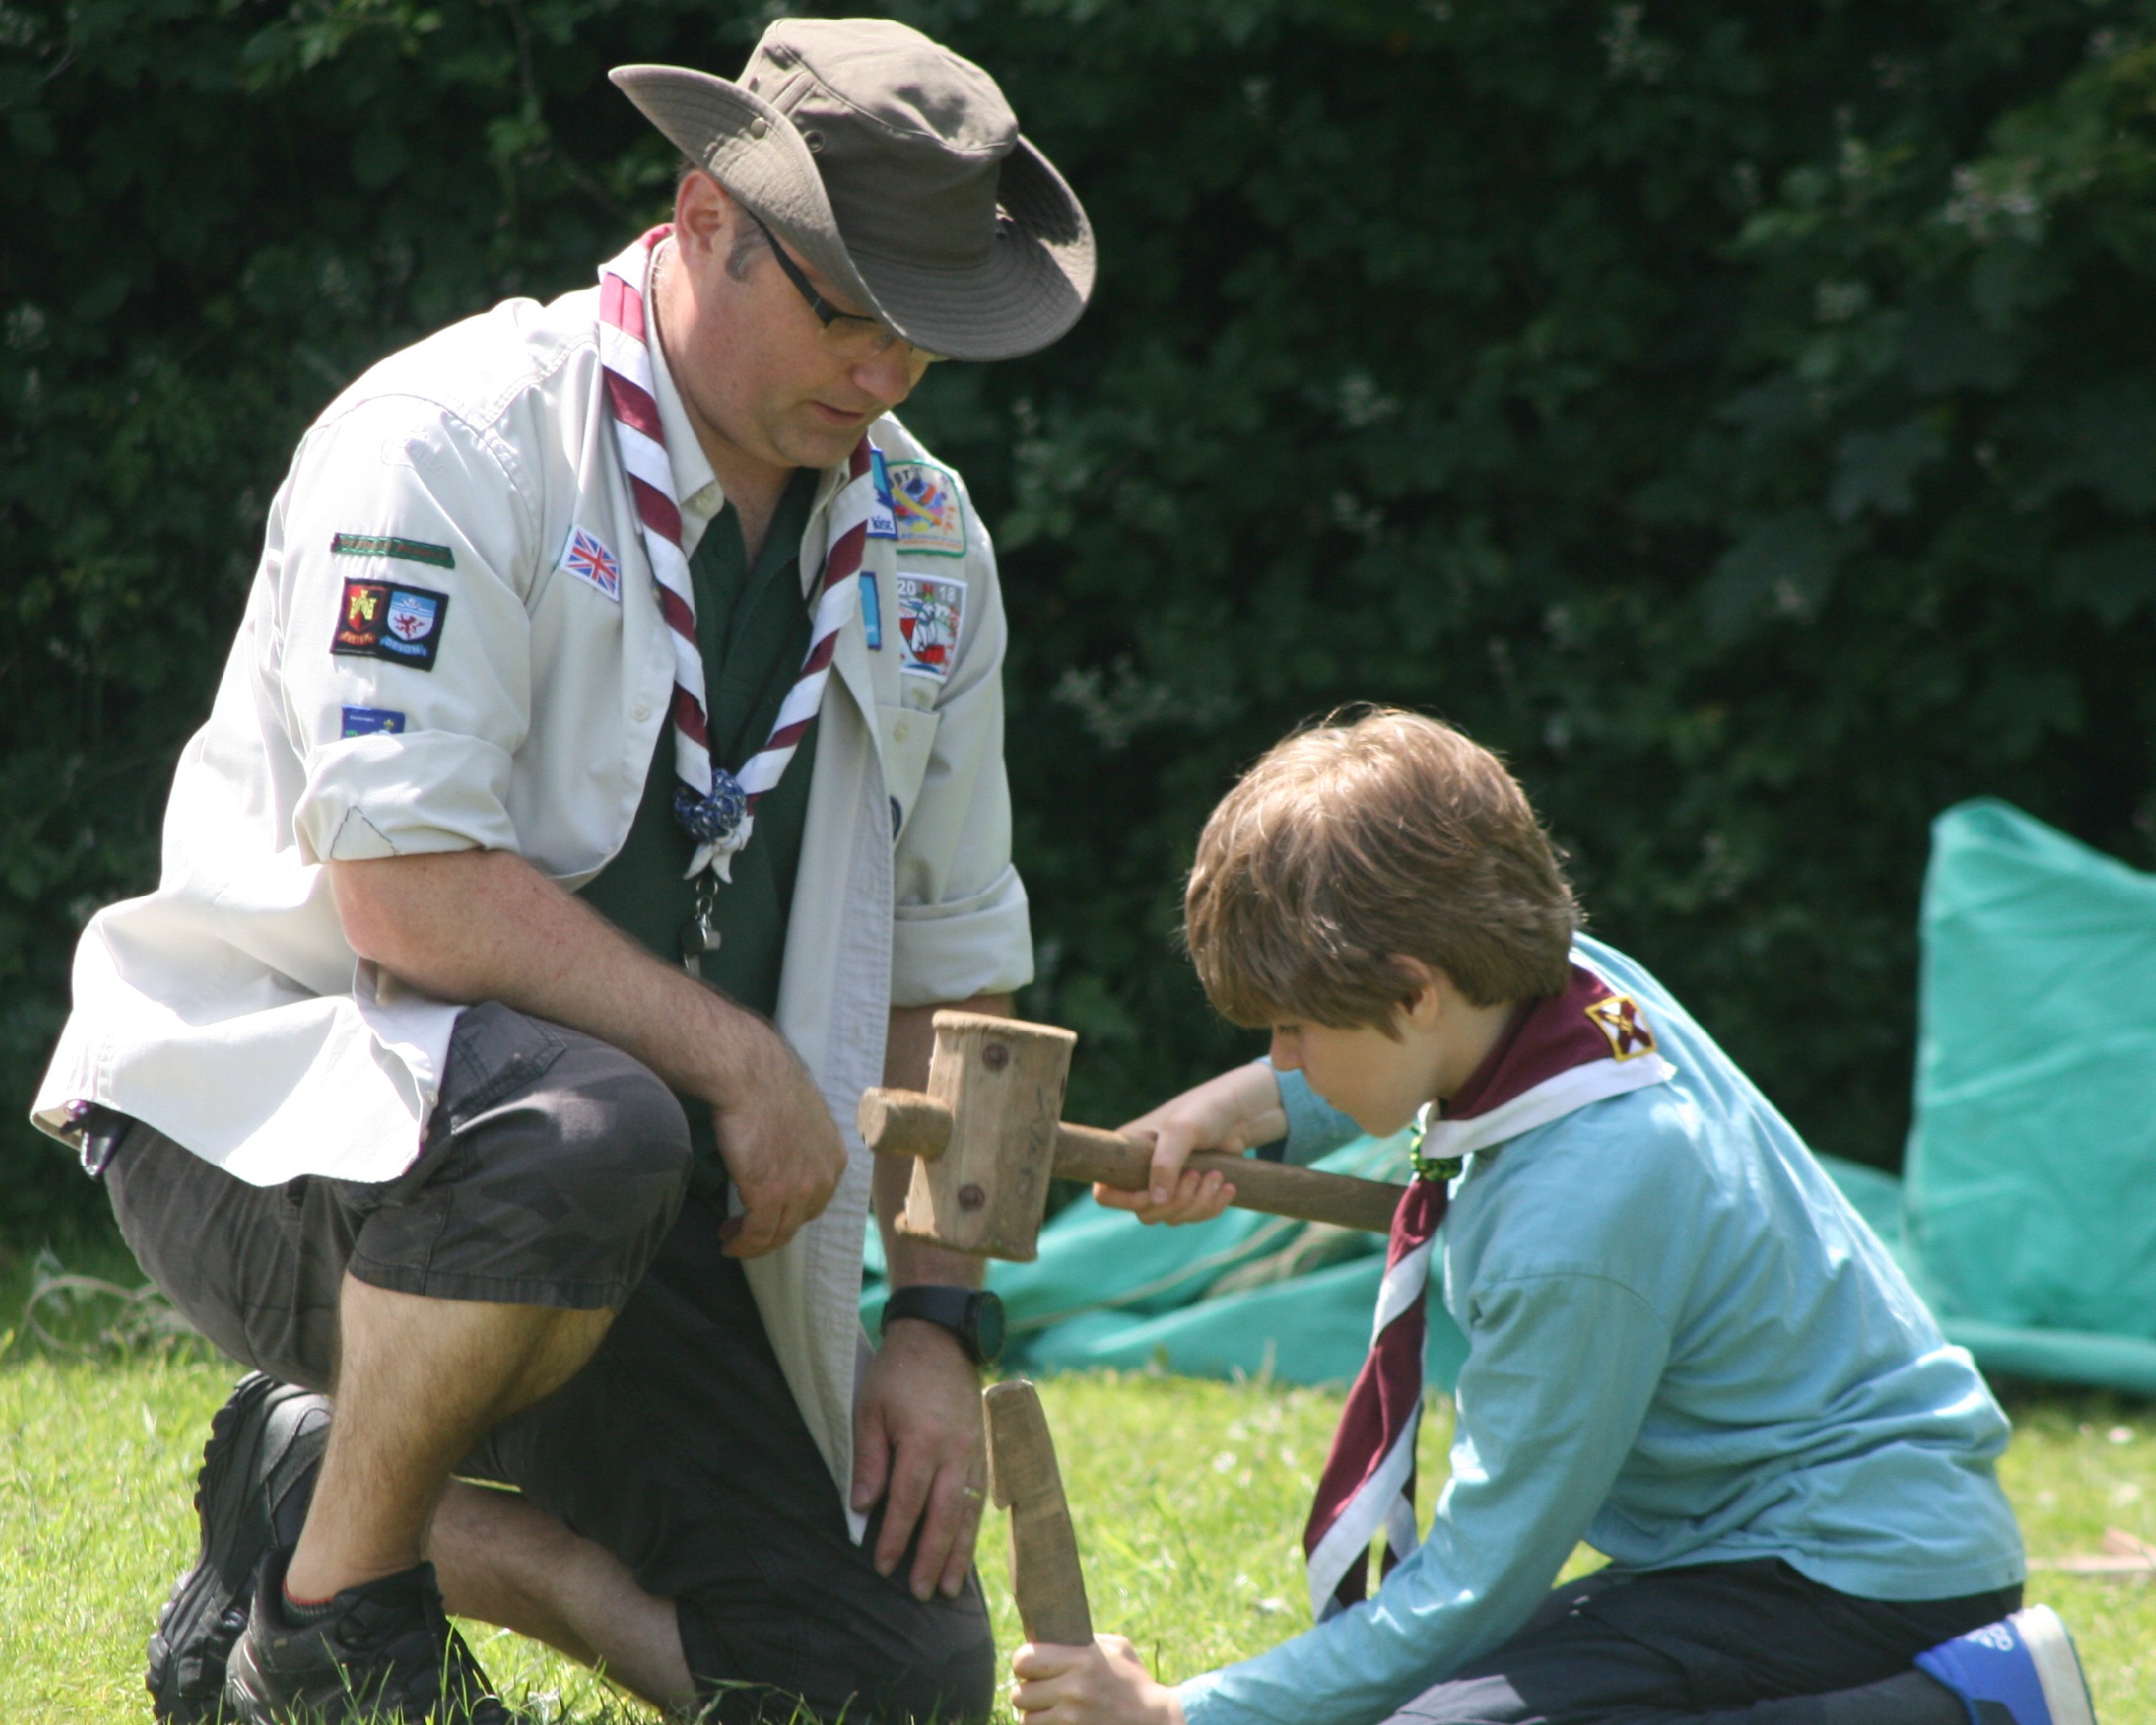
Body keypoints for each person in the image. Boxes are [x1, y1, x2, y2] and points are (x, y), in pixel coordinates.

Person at [30, 17, 1093, 1723]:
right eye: (844, 311)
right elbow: (406, 893)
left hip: (655, 1200)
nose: (884, 374)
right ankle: (322, 1646)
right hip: (283, 1137)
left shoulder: (926, 543)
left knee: (886, 1682)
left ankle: (318, 1499)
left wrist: (935, 1323)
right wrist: (738, 1059)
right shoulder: (451, 439)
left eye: (923, 335)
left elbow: (955, 958)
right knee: (593, 1128)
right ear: (697, 219)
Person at [1007, 709, 2098, 1725]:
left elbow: (1475, 1582)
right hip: (1758, 1550)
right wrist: (1231, 1109)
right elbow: (1383, 1048)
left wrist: (1182, 1713)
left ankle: (1956, 1708)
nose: (1281, 1057)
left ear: (1412, 988)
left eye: (1293, 1028)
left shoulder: (1577, 1217)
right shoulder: (1578, 989)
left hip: (1847, 1574)